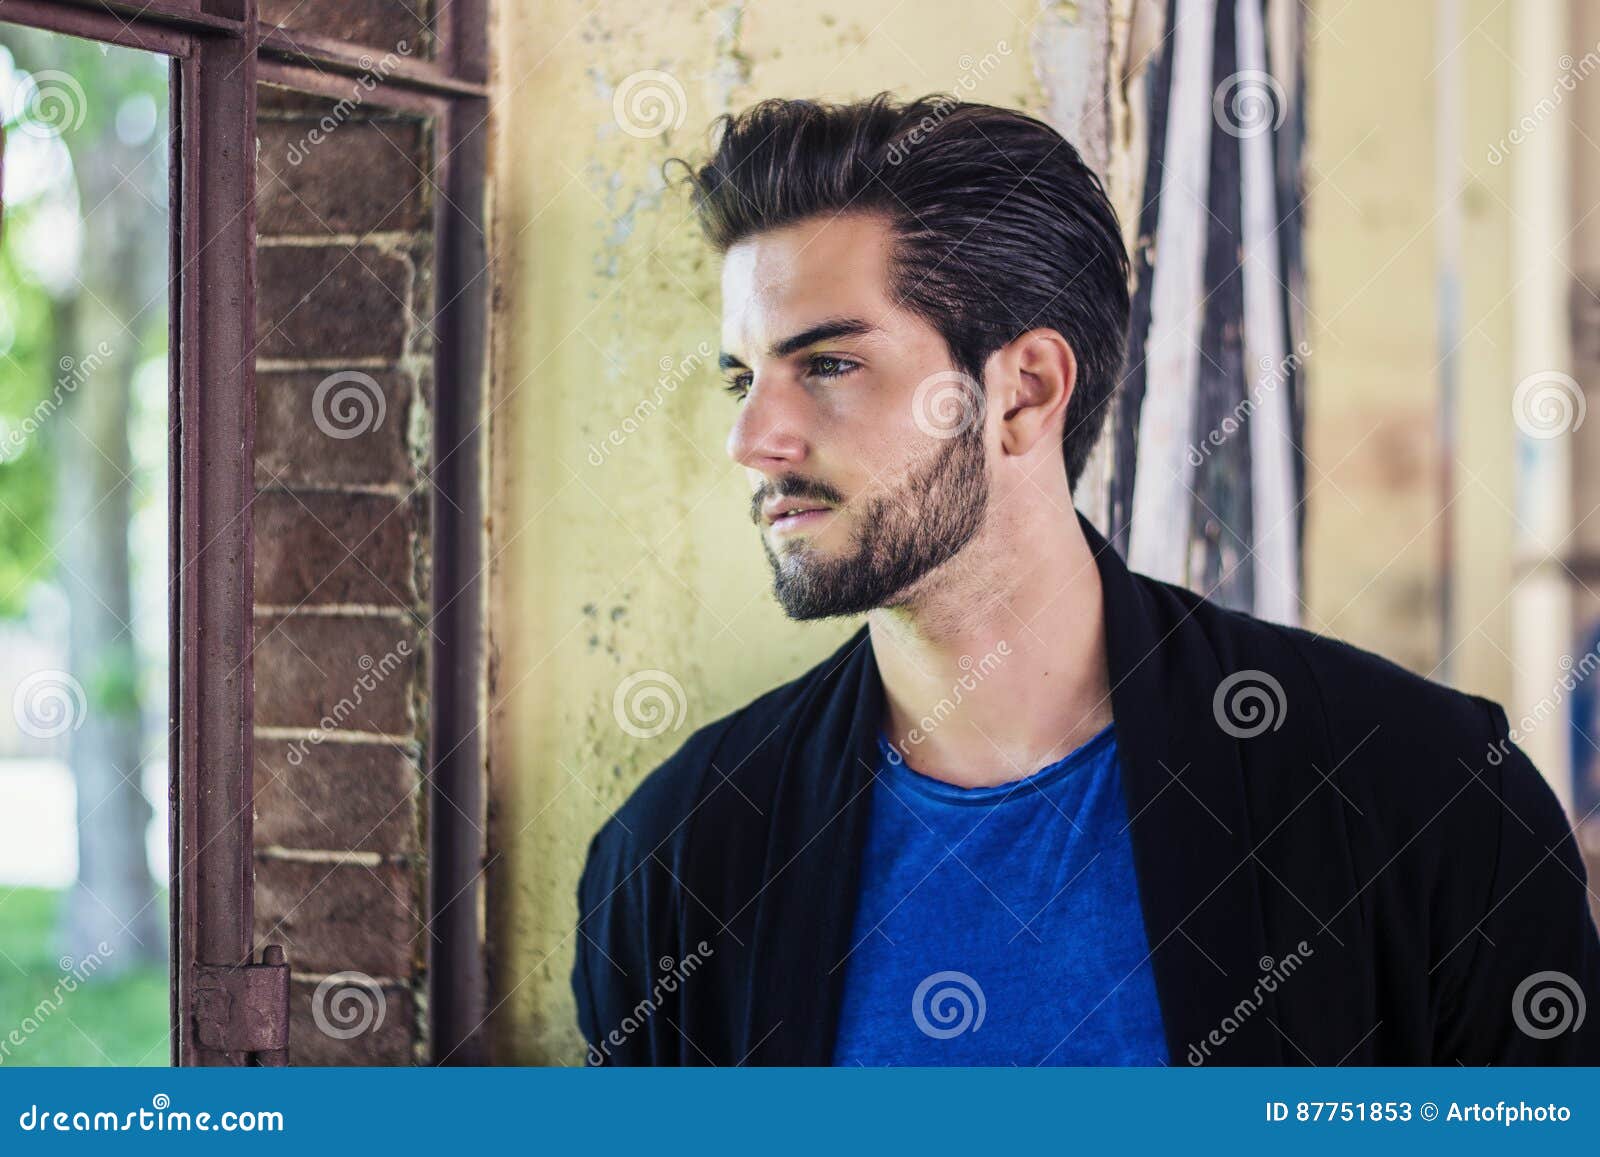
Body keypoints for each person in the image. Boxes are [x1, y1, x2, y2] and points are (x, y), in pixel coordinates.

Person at [571, 93, 1600, 1066]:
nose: (752, 438)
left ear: (1022, 392)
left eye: (829, 364)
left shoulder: (1421, 795)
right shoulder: (680, 856)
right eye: (743, 377)